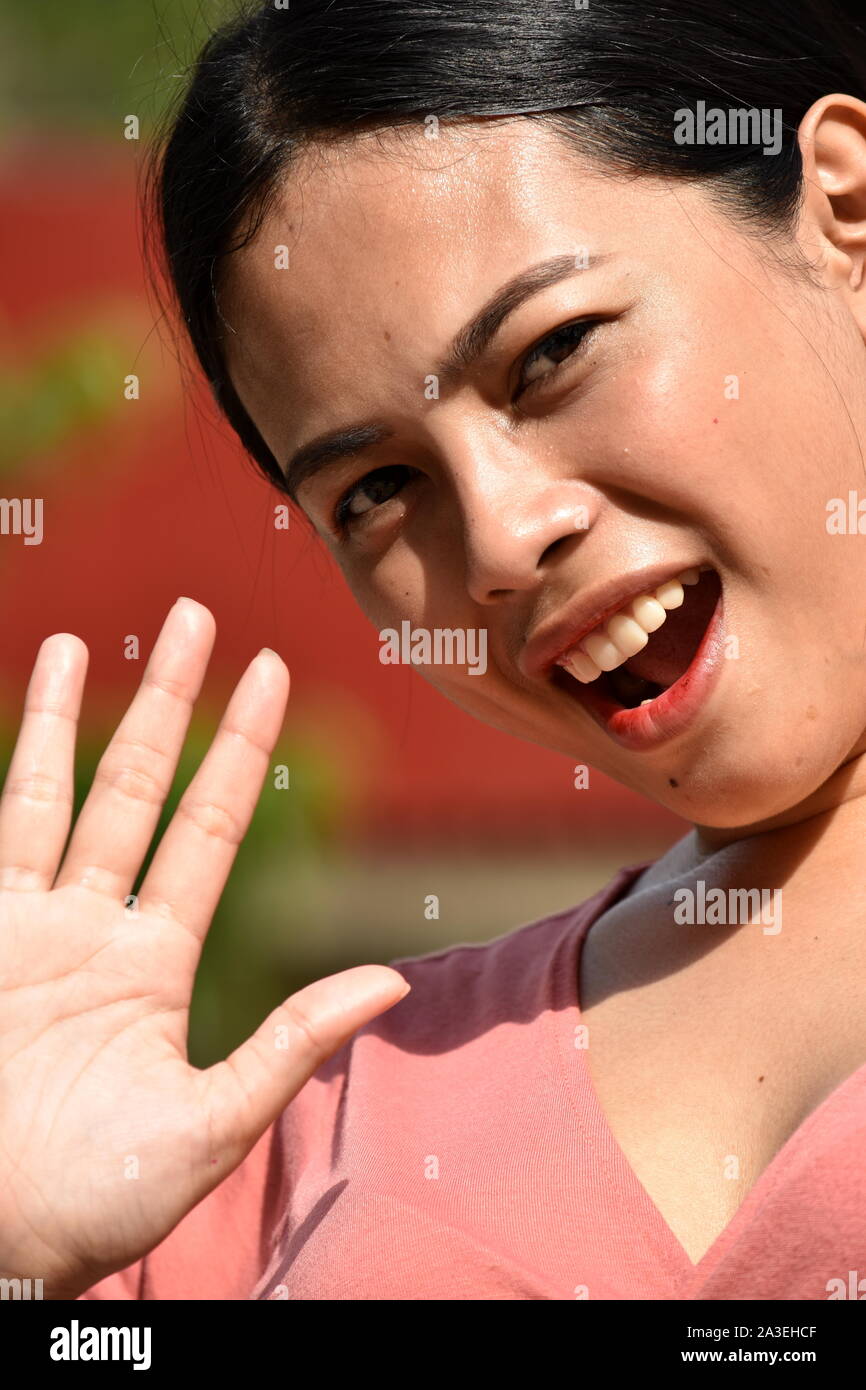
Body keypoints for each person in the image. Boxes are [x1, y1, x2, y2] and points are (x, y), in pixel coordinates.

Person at [3, 0, 866, 1300]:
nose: (501, 539)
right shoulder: (303, 1116)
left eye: (554, 351)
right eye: (373, 489)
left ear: (840, 212)